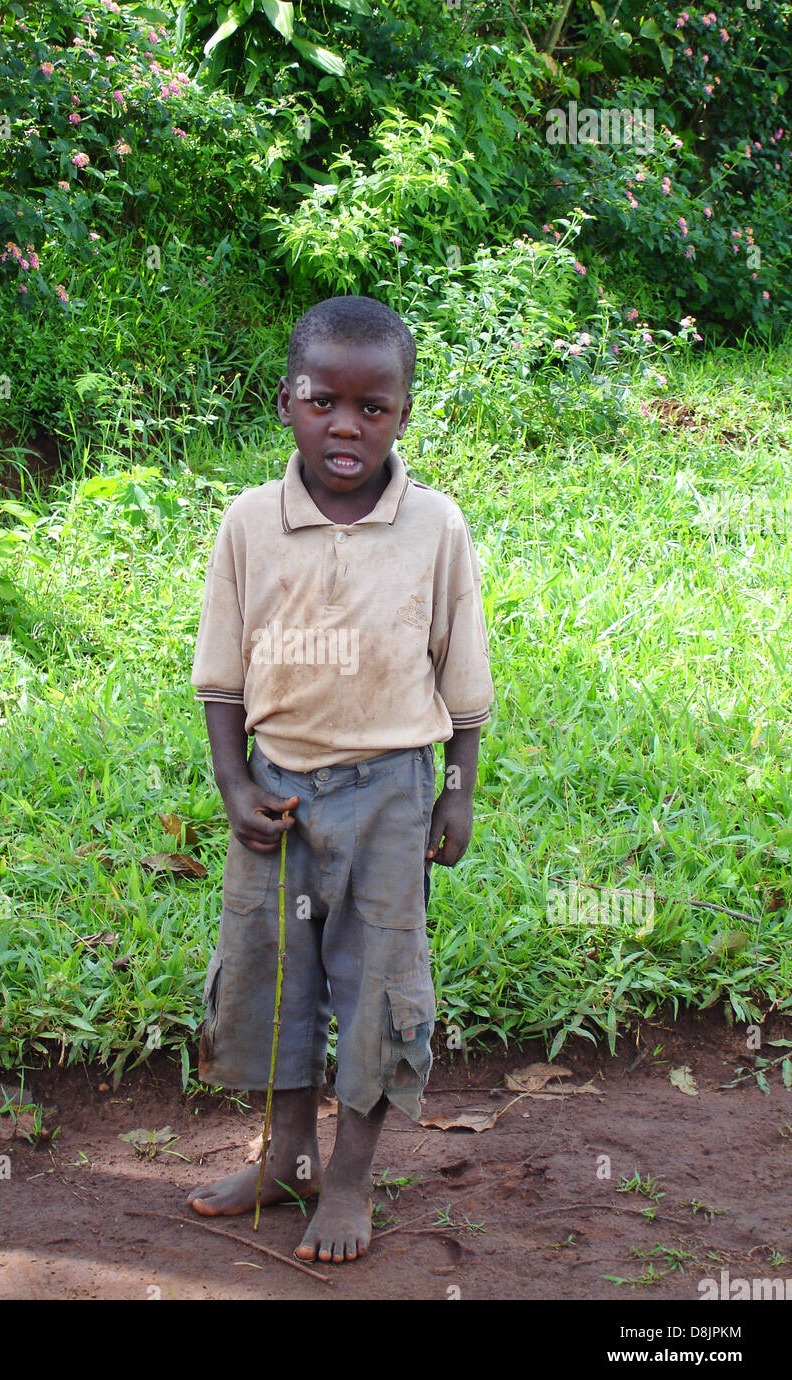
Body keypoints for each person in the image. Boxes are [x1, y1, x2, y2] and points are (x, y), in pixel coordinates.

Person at [186, 295, 494, 1263]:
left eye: (373, 406)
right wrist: (234, 786)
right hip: (275, 797)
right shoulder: (247, 525)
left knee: (376, 992)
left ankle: (350, 1181)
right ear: (286, 401)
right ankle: (285, 1159)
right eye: (324, 401)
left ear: (403, 413)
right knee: (273, 983)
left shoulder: (434, 528)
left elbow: (464, 683)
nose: (345, 425)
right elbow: (221, 676)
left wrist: (457, 788)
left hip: (393, 798)